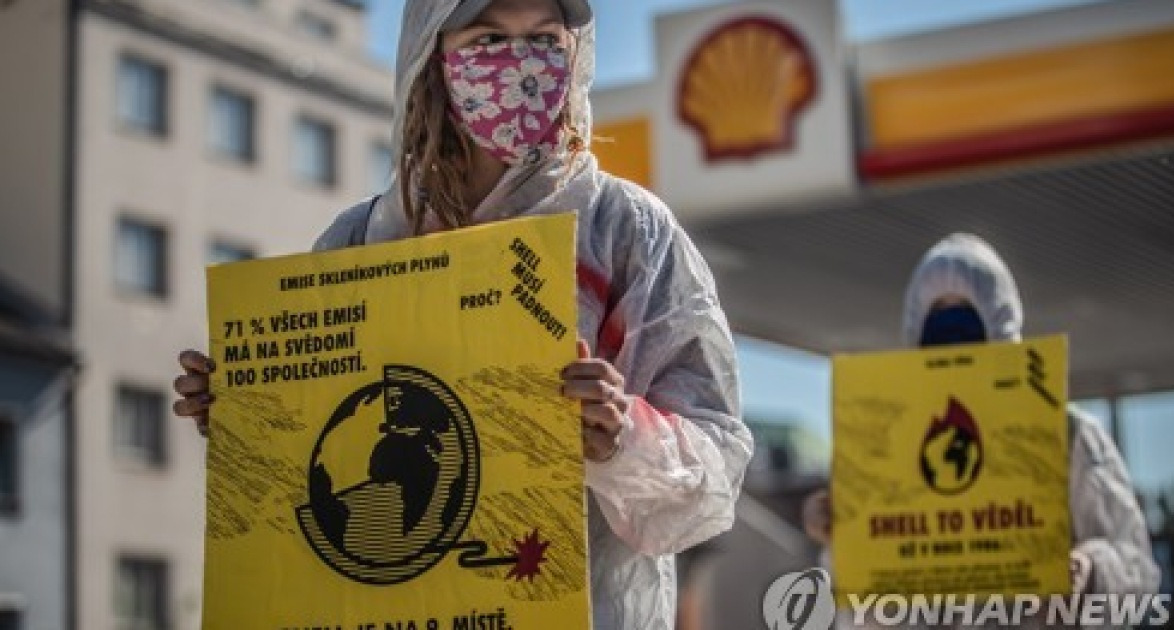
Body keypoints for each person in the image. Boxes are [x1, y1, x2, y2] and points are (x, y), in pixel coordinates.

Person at [172, 1, 754, 628]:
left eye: (543, 40)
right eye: (489, 39)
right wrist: (247, 409)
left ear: (574, 53)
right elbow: (314, 455)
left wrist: (624, 439)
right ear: (433, 57)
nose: (520, 63)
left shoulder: (625, 231)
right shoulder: (360, 240)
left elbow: (714, 472)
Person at [802, 233, 1160, 625]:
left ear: (999, 325)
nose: (953, 340)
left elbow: (1138, 570)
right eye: (938, 322)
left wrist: (1091, 571)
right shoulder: (882, 445)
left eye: (966, 320)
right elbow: (861, 613)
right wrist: (840, 539)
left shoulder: (1068, 434)